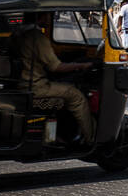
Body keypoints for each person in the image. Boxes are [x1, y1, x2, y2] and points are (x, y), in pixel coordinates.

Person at [18, 15, 95, 146]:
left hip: (21, 83)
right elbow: (56, 67)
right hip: (36, 87)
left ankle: (64, 132)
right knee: (77, 96)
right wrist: (81, 66)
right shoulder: (37, 37)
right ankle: (91, 140)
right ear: (41, 17)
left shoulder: (17, 33)